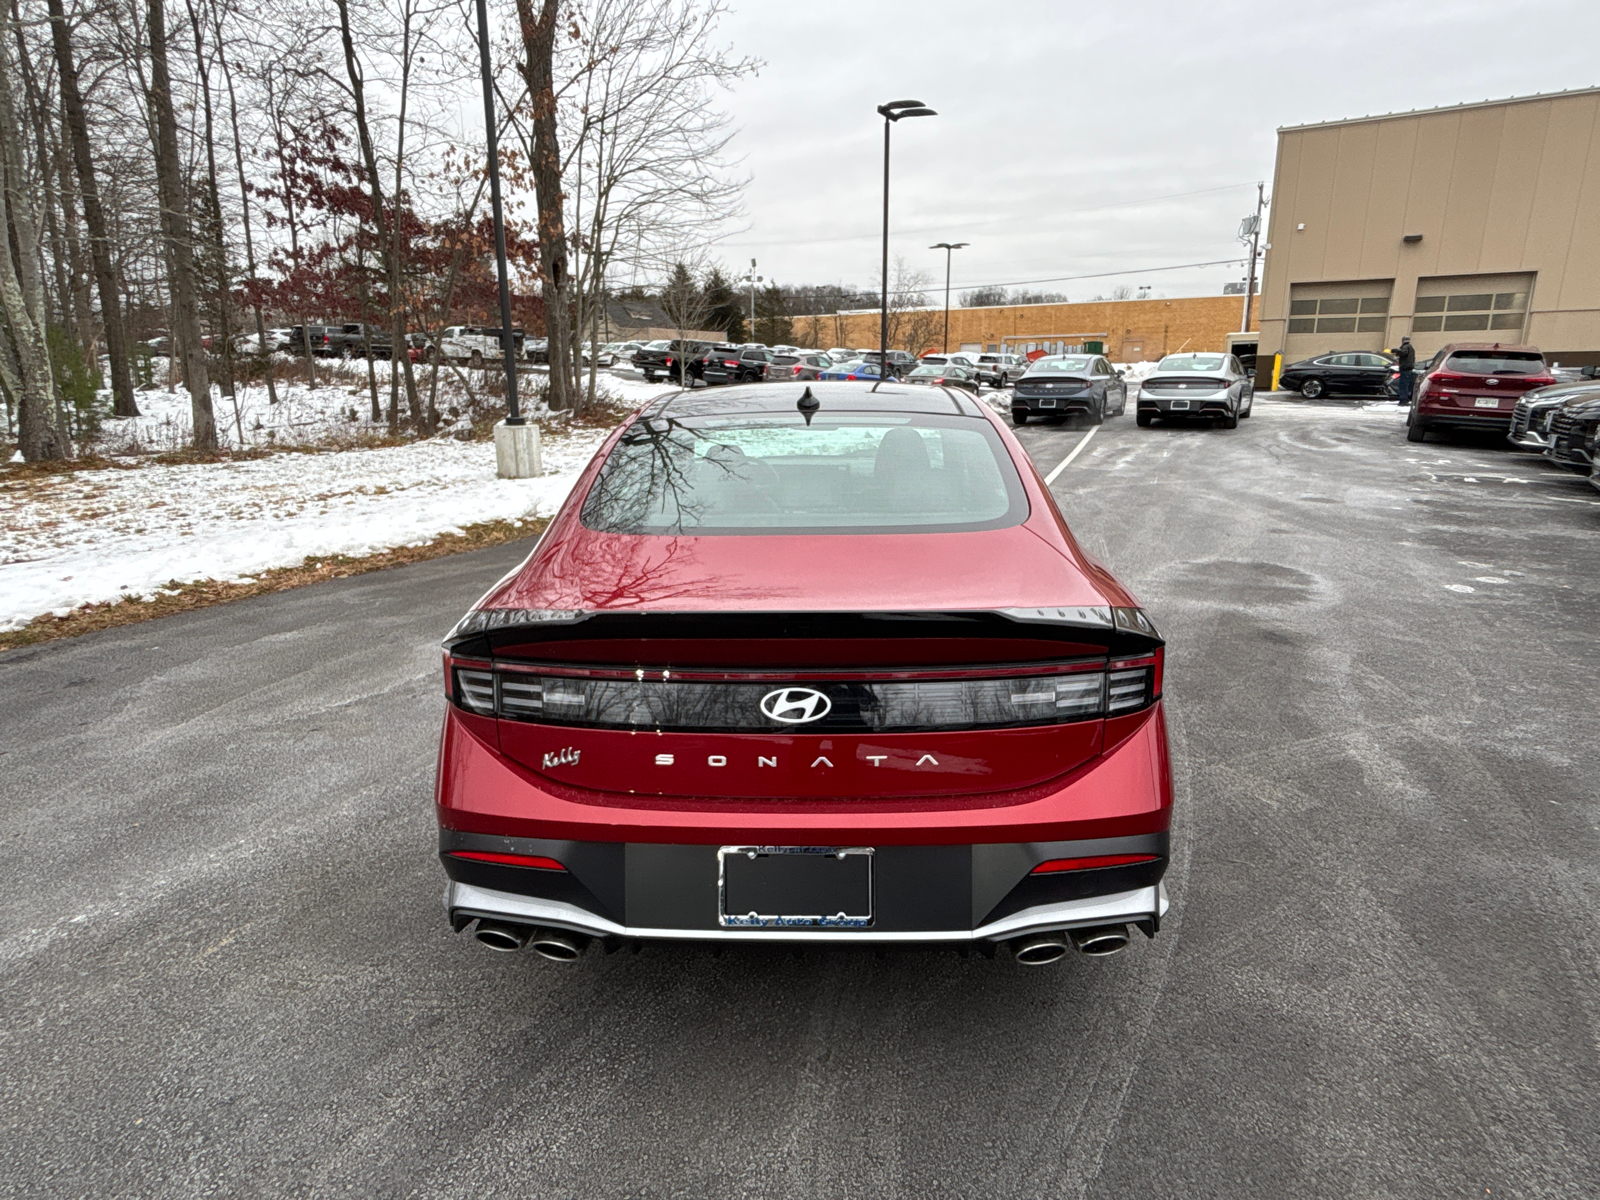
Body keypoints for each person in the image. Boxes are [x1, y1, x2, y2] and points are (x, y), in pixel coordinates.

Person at [1393, 336, 1416, 406]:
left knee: (1403, 385)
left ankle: (1403, 400)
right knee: (1406, 385)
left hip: (1405, 369)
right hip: (1409, 369)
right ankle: (1405, 399)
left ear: (1403, 340)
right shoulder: (1411, 347)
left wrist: (1397, 351)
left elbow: (1404, 353)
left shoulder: (1405, 347)